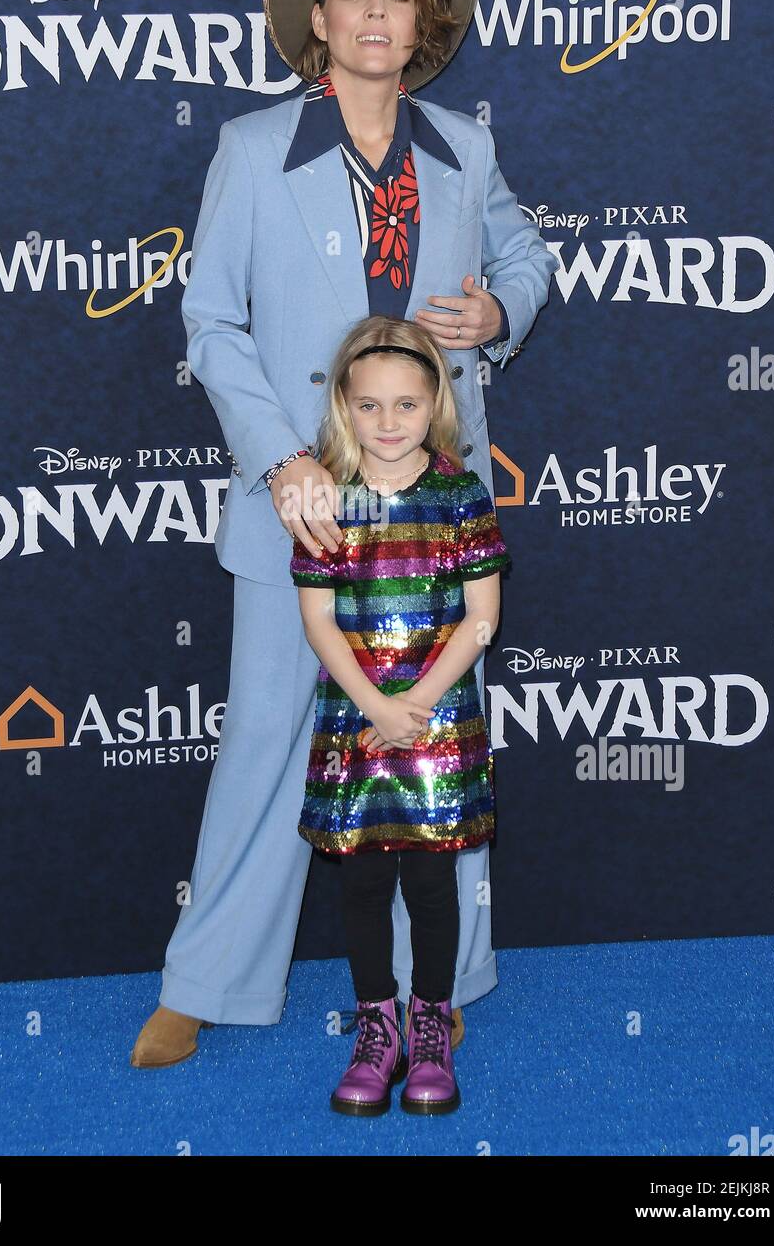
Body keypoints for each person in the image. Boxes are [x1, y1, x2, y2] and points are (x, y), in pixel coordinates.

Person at [130, 0, 559, 1070]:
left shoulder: (465, 148)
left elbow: (523, 250)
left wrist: (501, 305)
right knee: (268, 736)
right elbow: (211, 322)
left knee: (437, 737)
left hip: (433, 504)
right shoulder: (253, 148)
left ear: (425, 21)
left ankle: (443, 982)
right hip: (302, 503)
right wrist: (278, 464)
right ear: (314, 18)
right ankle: (205, 980)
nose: (375, 14)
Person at [287, 316, 510, 1116]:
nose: (389, 422)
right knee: (365, 875)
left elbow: (482, 613)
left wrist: (416, 703)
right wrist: (376, 704)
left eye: (406, 406)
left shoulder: (460, 495)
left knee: (431, 879)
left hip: (438, 720)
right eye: (371, 405)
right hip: (358, 718)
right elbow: (318, 622)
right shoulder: (327, 501)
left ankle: (430, 1030)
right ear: (345, 407)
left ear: (435, 406)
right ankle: (374, 1025)